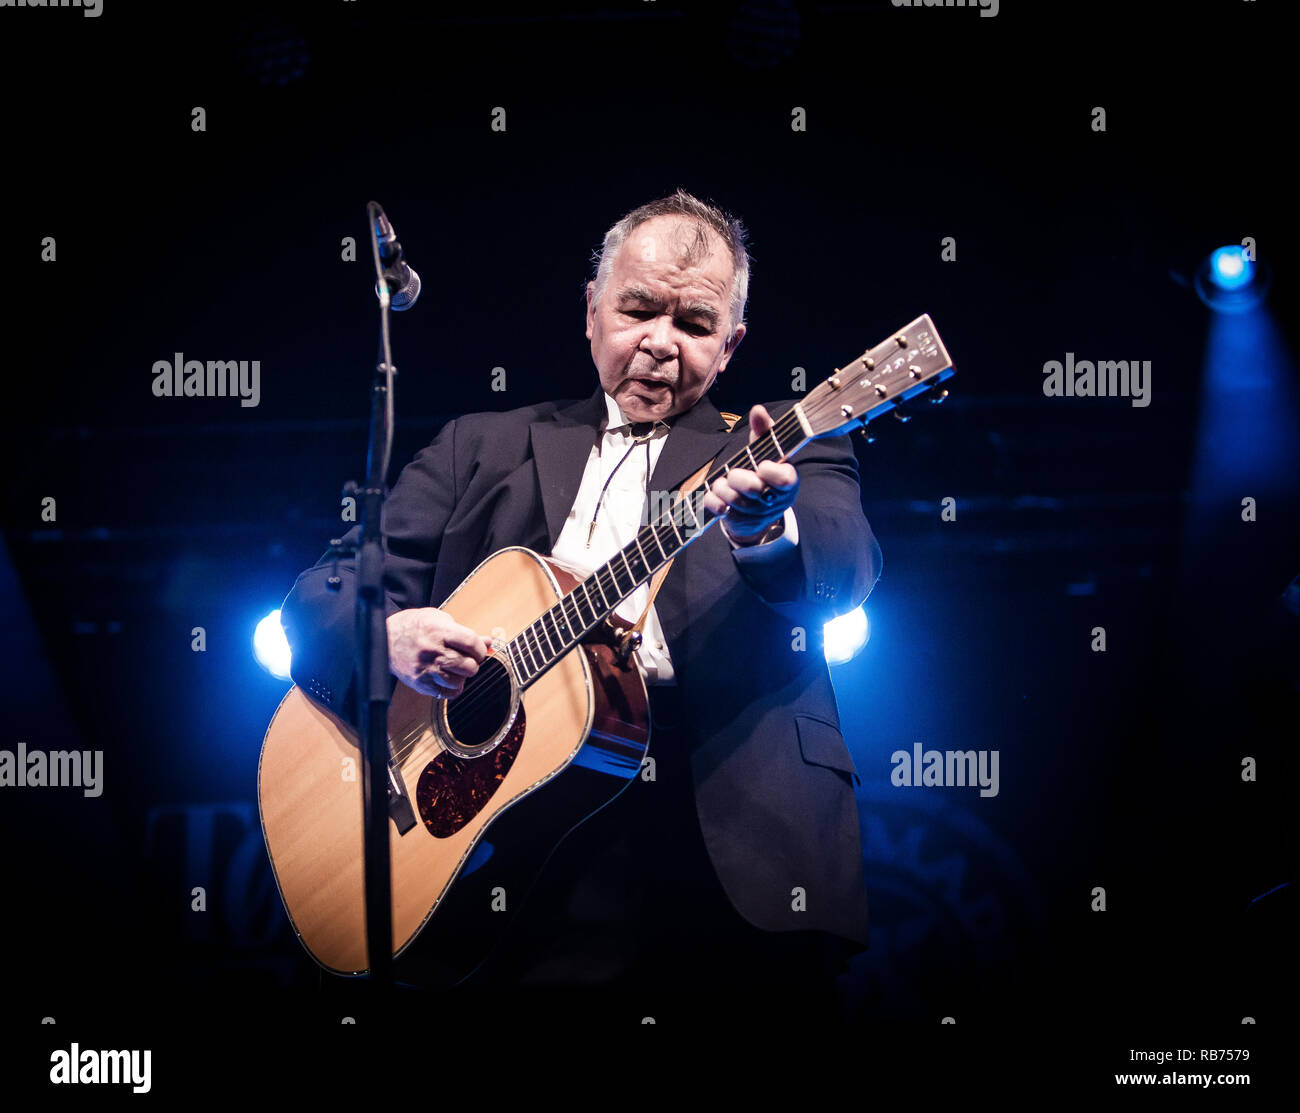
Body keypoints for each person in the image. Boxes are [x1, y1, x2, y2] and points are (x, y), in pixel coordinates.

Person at [280, 189, 881, 1026]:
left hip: (729, 856)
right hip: (507, 863)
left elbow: (845, 567)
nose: (660, 345)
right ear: (591, 310)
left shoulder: (784, 436)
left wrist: (765, 531)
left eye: (695, 325)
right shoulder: (479, 446)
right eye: (637, 309)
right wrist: (383, 636)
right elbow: (320, 594)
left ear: (732, 344)